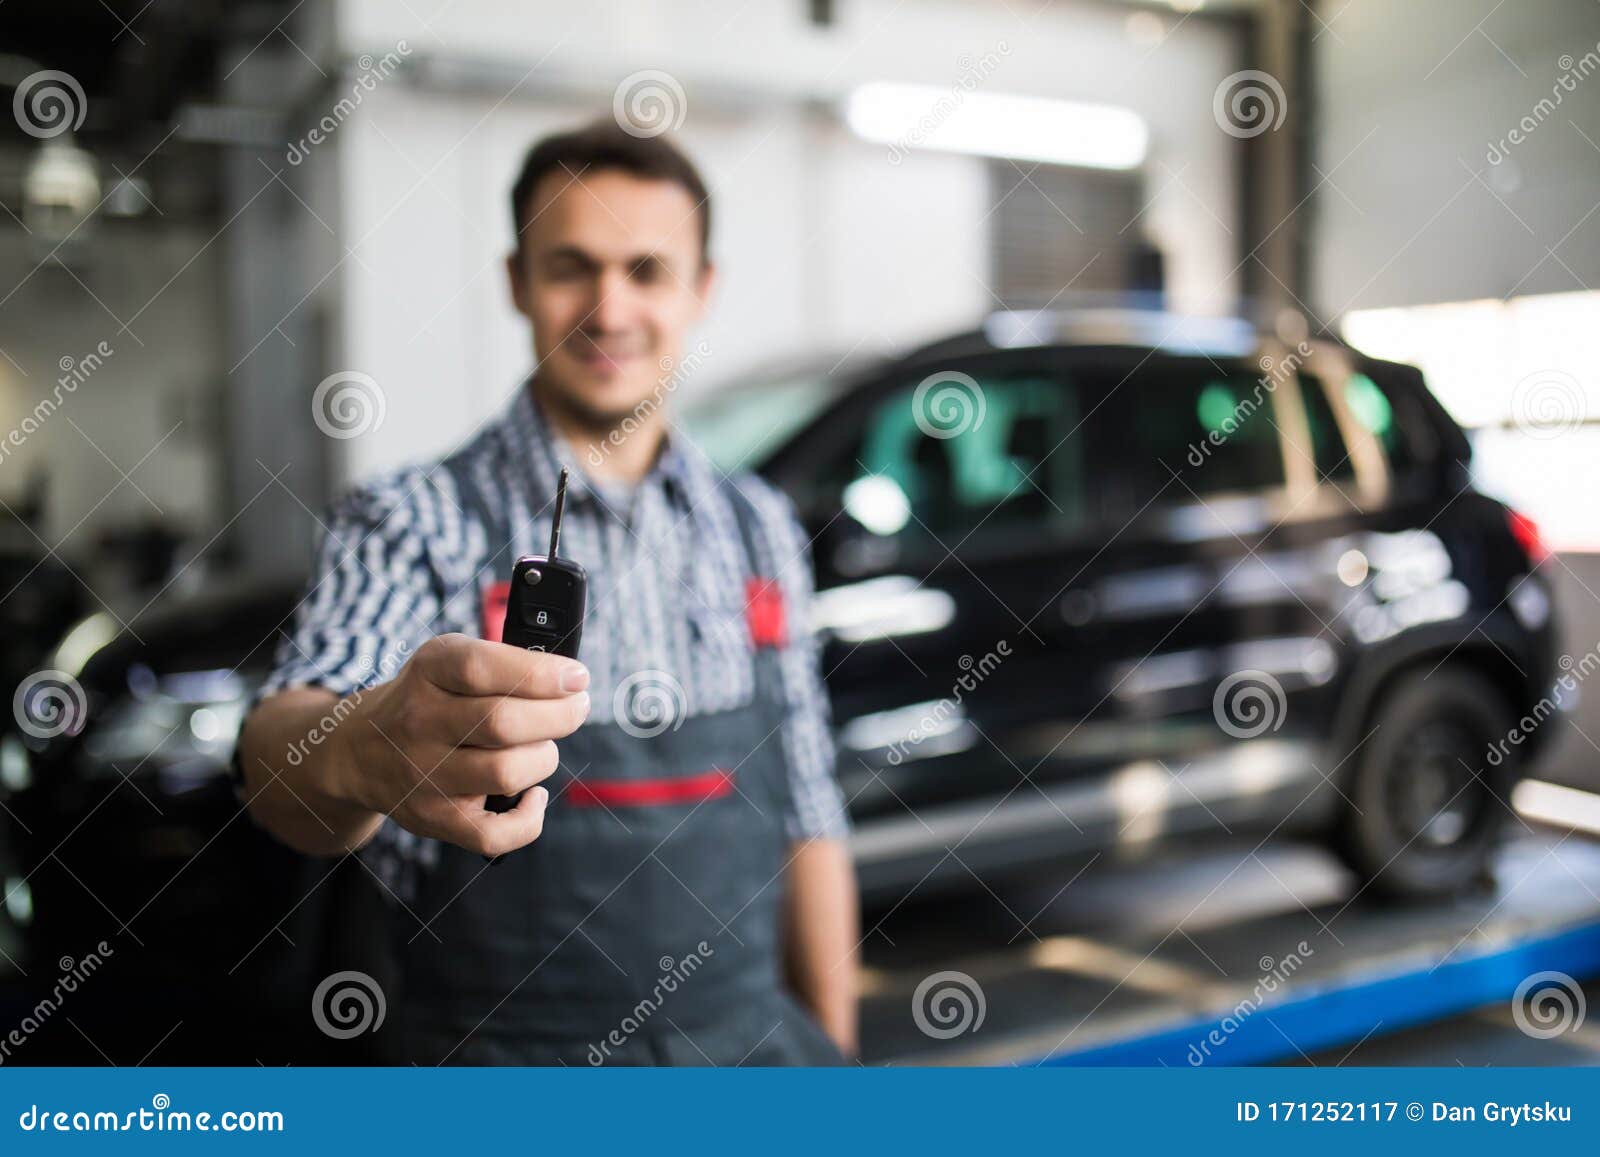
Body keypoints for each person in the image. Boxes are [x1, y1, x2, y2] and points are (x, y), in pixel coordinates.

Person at [236, 118, 860, 1065]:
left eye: (647, 270)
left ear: (701, 291)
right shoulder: (412, 520)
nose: (608, 310)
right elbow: (280, 756)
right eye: (572, 266)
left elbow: (808, 815)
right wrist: (365, 747)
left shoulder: (761, 527)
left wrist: (836, 1056)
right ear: (517, 281)